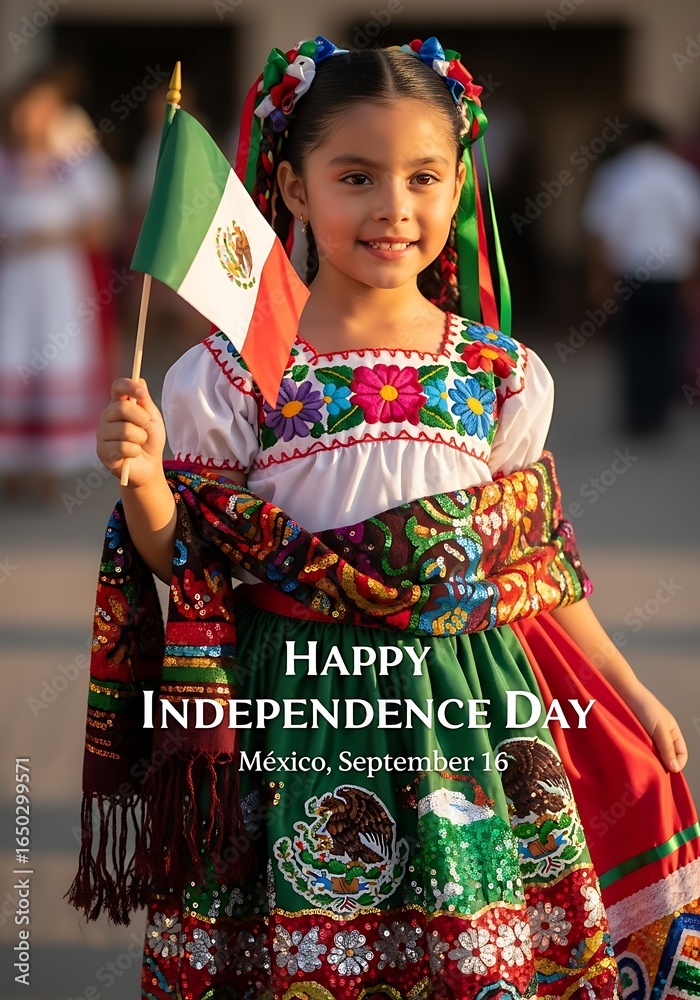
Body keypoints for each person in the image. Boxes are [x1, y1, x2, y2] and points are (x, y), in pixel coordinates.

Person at [89, 38, 700, 1000]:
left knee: (469, 948)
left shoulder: (499, 373)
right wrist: (141, 481)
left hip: (470, 712)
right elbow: (187, 559)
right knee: (310, 949)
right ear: (292, 189)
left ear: (458, 186)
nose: (393, 207)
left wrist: (627, 688)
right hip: (296, 711)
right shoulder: (230, 376)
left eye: (423, 177)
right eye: (356, 177)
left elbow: (536, 569)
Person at [0, 71, 121, 503]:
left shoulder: (75, 163)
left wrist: (52, 236)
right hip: (14, 281)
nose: (32, 118)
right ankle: (12, 466)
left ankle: (51, 467)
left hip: (59, 281)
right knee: (11, 356)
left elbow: (104, 226)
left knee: (56, 353)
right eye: (26, 108)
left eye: (43, 108)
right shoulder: (6, 164)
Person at [581, 110, 700, 437]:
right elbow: (691, 232)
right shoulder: (680, 174)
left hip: (631, 274)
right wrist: (693, 280)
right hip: (672, 275)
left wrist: (598, 279)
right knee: (667, 343)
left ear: (631, 140)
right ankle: (658, 414)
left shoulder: (617, 174)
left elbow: (599, 231)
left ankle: (638, 415)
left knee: (634, 346)